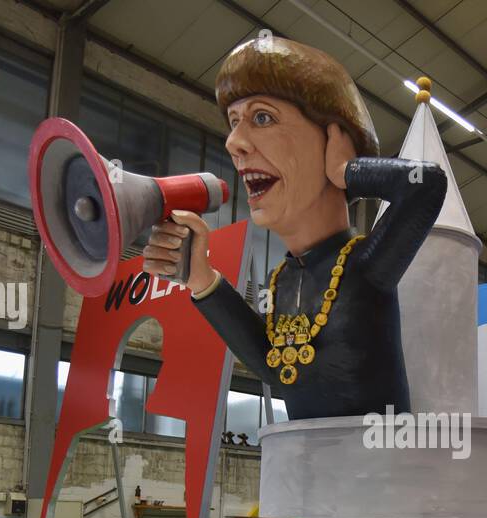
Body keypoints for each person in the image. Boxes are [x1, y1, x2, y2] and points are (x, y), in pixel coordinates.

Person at [142, 35, 447, 420]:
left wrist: (343, 169)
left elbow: (426, 185)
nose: (233, 142)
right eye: (234, 123)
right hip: (305, 458)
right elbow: (275, 368)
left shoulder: (365, 265)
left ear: (335, 140)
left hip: (378, 458)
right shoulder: (282, 279)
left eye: (262, 118)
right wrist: (202, 279)